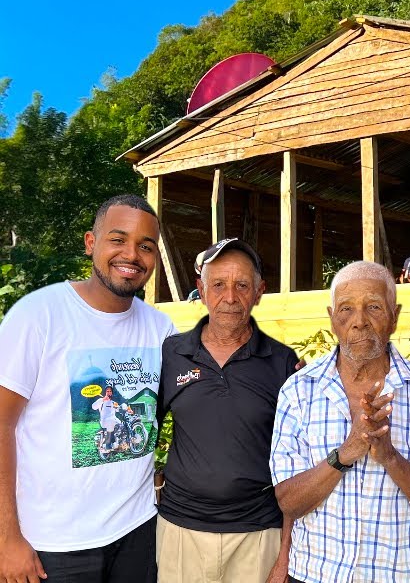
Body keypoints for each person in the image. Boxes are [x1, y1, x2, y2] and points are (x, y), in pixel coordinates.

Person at [0, 194, 176, 583]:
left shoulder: (160, 328)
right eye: (118, 239)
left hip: (137, 530)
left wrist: (282, 371)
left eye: (146, 246)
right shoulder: (38, 315)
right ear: (90, 243)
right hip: (53, 543)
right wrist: (6, 537)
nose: (132, 254)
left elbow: (198, 387)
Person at [270, 261, 410, 583]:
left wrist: (389, 456)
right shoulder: (299, 390)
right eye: (346, 309)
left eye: (373, 307)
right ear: (332, 318)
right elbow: (289, 501)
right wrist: (347, 451)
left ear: (394, 316)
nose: (359, 321)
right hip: (315, 575)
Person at [155, 238, 299, 583]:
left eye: (242, 285)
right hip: (180, 532)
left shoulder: (283, 364)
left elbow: (299, 464)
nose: (230, 297)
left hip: (258, 535)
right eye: (218, 285)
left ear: (259, 292)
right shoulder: (171, 354)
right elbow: (144, 433)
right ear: (202, 291)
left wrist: (285, 555)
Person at [92, 386, 124, 453]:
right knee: (110, 420)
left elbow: (118, 409)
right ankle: (108, 443)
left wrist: (123, 408)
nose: (109, 392)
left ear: (112, 393)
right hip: (104, 420)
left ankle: (119, 442)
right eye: (107, 391)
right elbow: (93, 407)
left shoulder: (113, 402)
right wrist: (103, 399)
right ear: (105, 392)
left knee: (122, 425)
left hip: (113, 420)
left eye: (110, 391)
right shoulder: (101, 400)